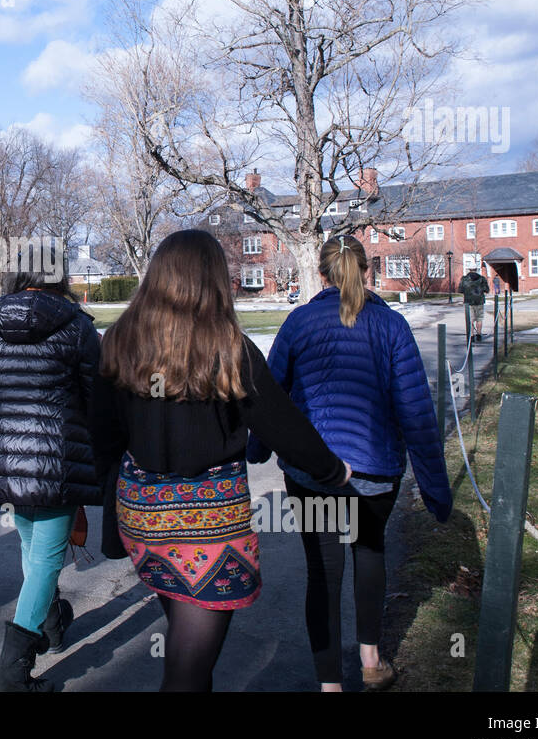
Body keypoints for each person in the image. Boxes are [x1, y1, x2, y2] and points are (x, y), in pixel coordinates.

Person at [89, 229, 352, 692]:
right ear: (213, 280)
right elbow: (282, 425)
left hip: (143, 516)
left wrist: (113, 513)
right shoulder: (228, 348)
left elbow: (104, 437)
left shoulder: (118, 342)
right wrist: (333, 469)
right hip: (206, 526)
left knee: (190, 652)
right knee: (188, 670)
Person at [249, 235, 451, 692]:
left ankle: (330, 686)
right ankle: (371, 661)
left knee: (322, 570)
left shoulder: (299, 322)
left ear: (321, 274)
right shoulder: (391, 327)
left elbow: (270, 398)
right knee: (369, 551)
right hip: (375, 474)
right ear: (367, 271)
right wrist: (436, 490)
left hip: (312, 475)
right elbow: (416, 413)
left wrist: (256, 450)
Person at [0, 242, 101, 692]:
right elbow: (94, 394)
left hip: (6, 452)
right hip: (57, 456)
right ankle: (11, 676)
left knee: (33, 552)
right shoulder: (78, 327)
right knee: (45, 559)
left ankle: (50, 624)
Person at [459, 267, 490, 341]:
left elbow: (460, 290)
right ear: (476, 270)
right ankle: (479, 334)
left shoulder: (464, 279)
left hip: (468, 302)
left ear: (469, 270)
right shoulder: (482, 279)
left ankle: (472, 336)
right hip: (479, 301)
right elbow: (487, 290)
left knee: (470, 319)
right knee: (479, 318)